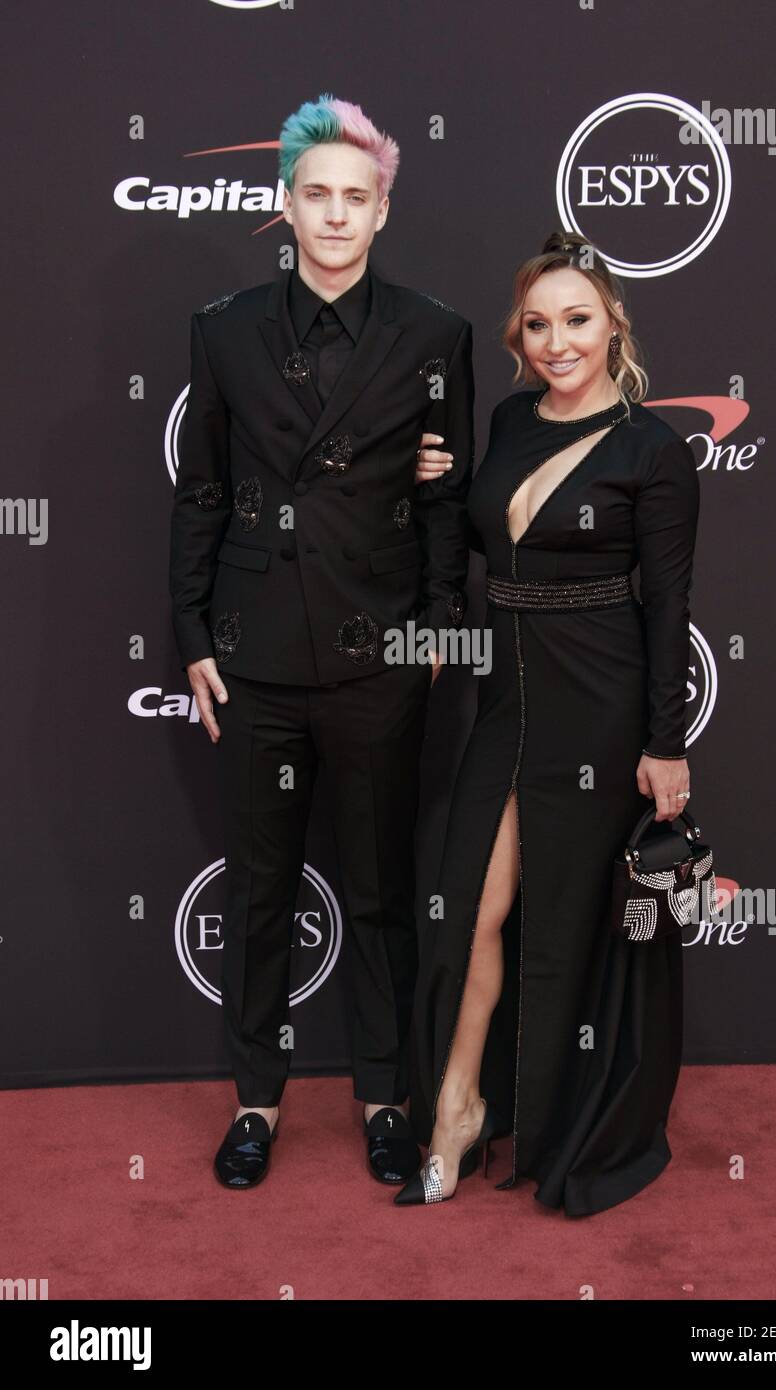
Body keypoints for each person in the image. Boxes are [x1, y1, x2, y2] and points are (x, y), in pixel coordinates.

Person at [168, 94, 474, 1189]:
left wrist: (441, 620)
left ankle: (386, 1096)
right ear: (284, 207)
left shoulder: (437, 334)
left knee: (386, 884)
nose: (336, 216)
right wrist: (192, 629)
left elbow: (449, 498)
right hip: (254, 656)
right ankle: (256, 1104)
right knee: (260, 888)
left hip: (380, 655)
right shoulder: (226, 328)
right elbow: (201, 489)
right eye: (318, 197)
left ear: (382, 211)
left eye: (357, 198)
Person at [399, 232, 700, 1215]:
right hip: (509, 701)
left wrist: (665, 743)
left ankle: (564, 1116)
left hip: (603, 709)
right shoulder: (507, 417)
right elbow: (484, 531)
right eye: (539, 324)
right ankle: (457, 1101)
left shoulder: (653, 448)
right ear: (518, 336)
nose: (557, 341)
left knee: (571, 918)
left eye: (578, 319)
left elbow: (668, 606)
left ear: (614, 322)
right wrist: (438, 480)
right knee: (472, 907)